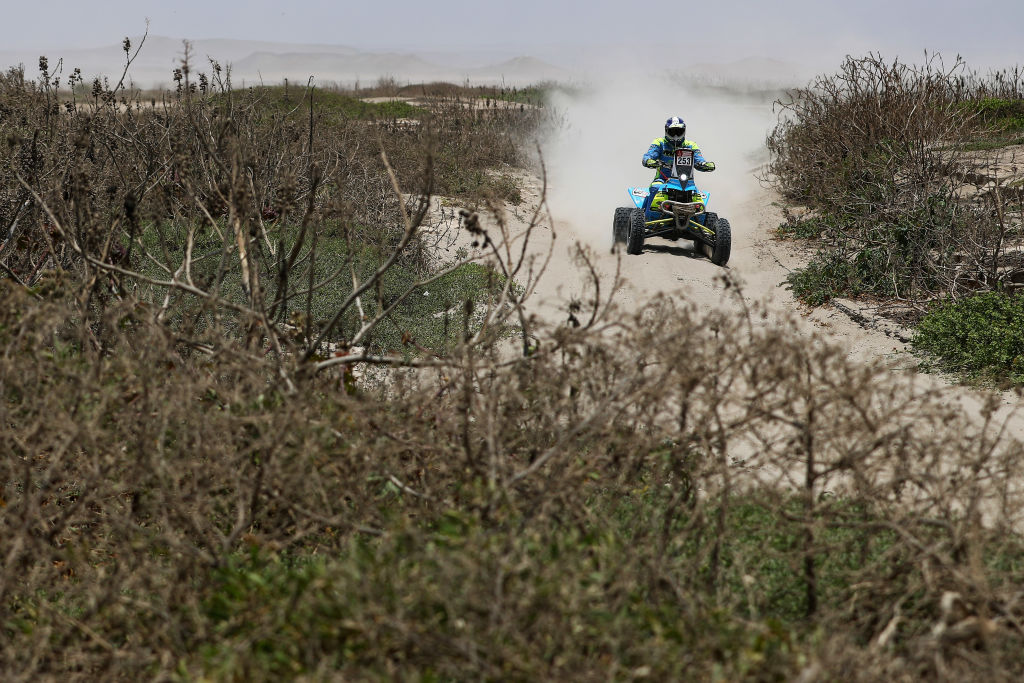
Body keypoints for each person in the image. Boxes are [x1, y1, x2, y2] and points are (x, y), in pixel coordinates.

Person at [642, 116, 715, 212]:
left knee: (697, 196)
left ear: (684, 131)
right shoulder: (659, 143)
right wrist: (649, 160)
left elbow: (698, 159)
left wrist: (704, 164)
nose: (676, 135)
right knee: (655, 187)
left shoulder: (691, 145)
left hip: (686, 181)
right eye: (672, 132)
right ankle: (646, 217)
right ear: (666, 131)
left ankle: (702, 218)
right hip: (663, 179)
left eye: (678, 131)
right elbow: (649, 155)